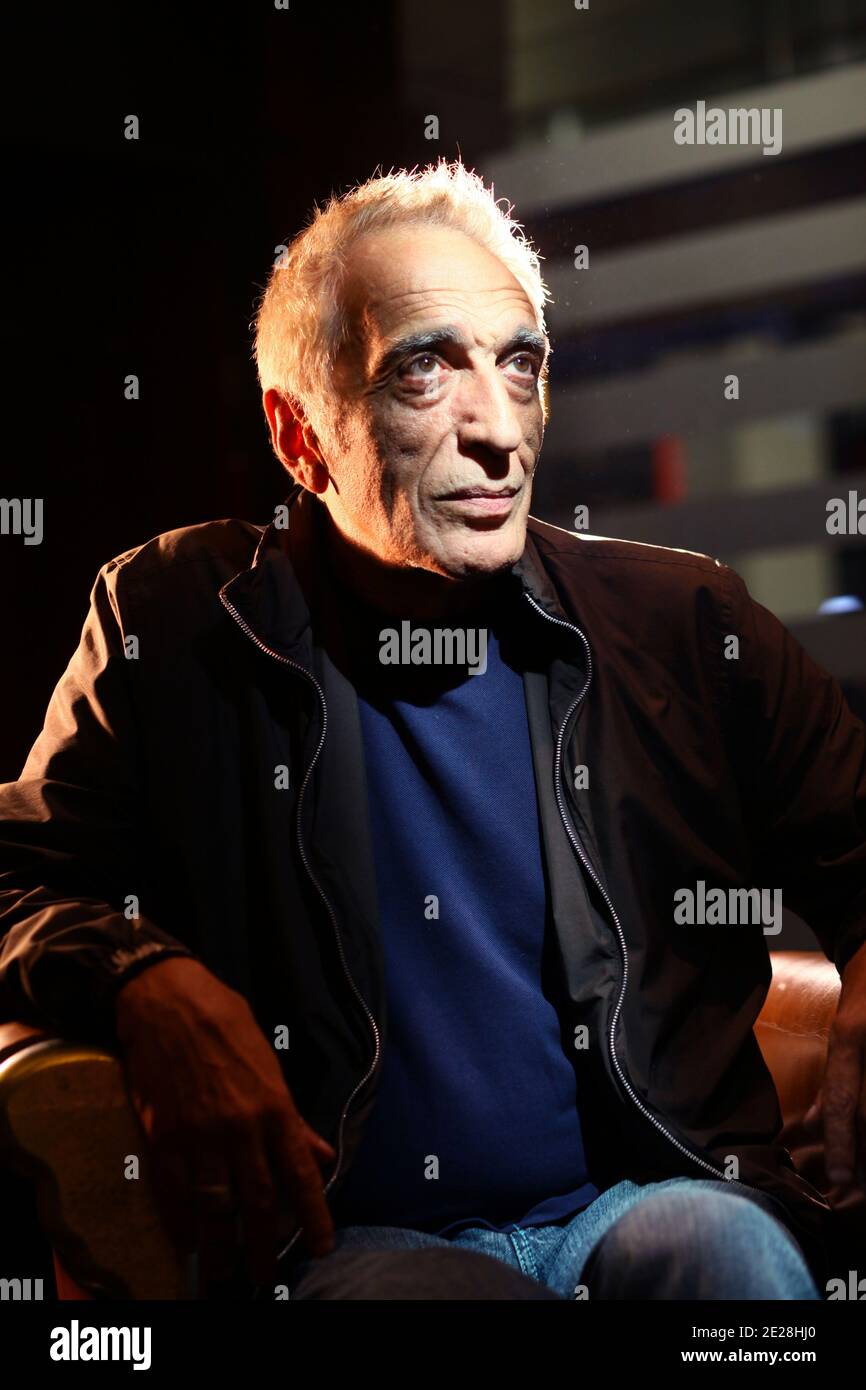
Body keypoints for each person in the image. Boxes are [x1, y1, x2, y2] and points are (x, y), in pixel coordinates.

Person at [1, 159, 864, 1302]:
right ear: (300, 438)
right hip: (351, 1239)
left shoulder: (682, 620)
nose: (496, 430)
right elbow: (18, 877)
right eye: (425, 368)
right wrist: (142, 978)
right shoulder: (174, 620)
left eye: (519, 365)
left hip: (648, 1196)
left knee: (735, 1266)